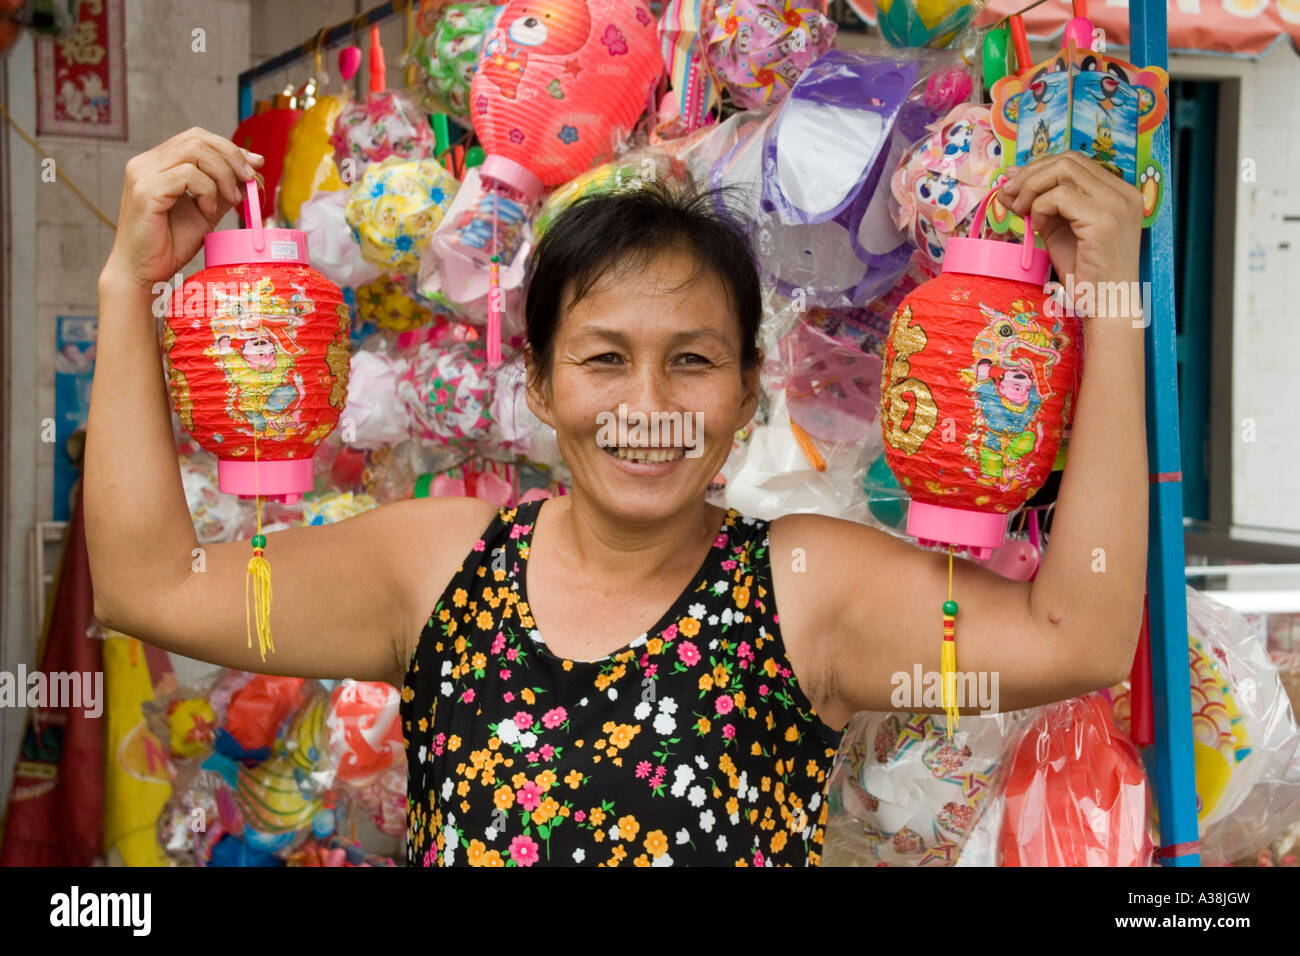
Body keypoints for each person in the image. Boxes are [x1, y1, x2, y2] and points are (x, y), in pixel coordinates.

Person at [87, 128, 1149, 867]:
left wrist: (1110, 302)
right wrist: (127, 287)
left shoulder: (806, 590)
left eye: (692, 360)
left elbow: (1080, 631)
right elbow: (148, 584)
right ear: (541, 383)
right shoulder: (436, 569)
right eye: (603, 358)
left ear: (746, 393)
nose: (647, 406)